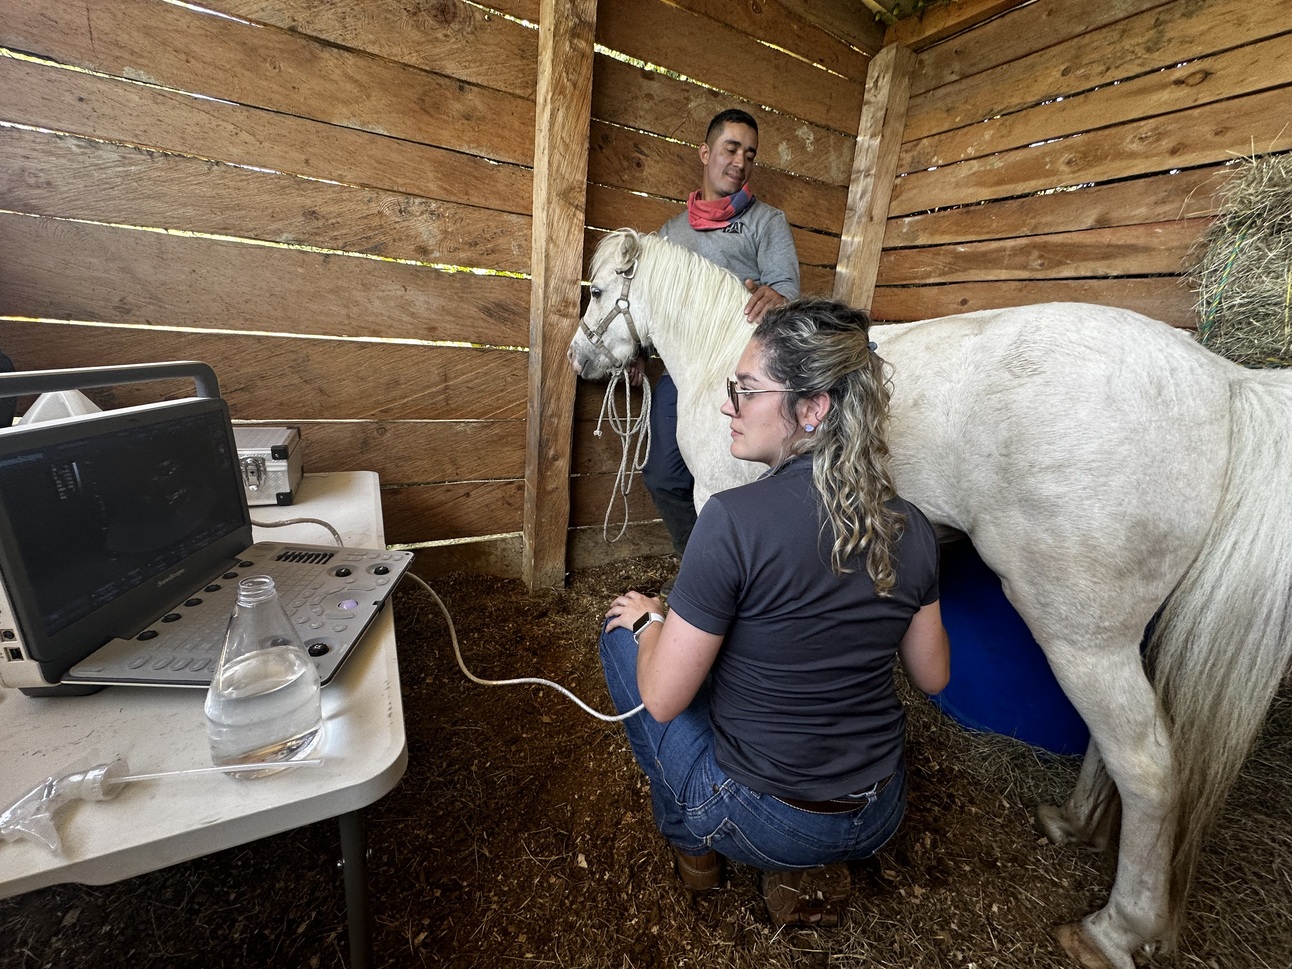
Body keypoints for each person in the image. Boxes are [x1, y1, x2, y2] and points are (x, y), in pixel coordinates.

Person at [599, 297, 950, 927]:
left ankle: (692, 847)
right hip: (880, 811)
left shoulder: (732, 521)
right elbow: (933, 677)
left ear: (812, 409)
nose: (727, 406)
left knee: (622, 635)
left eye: (746, 391)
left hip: (766, 818)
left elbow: (661, 698)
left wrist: (651, 621)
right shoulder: (915, 527)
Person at [641, 108, 800, 561]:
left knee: (742, 477)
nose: (740, 161)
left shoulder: (766, 222)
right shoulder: (671, 234)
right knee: (664, 476)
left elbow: (787, 289)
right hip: (686, 374)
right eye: (731, 148)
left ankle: (744, 567)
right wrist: (637, 352)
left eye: (749, 154)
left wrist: (777, 296)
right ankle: (696, 563)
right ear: (706, 152)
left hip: (745, 369)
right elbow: (654, 306)